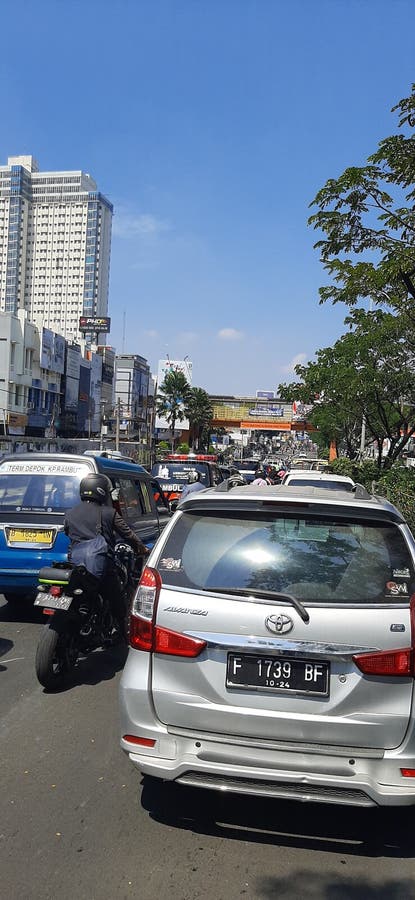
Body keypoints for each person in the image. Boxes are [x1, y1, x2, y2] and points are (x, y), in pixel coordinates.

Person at [64, 473, 149, 636]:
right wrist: (142, 549)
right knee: (117, 600)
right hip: (100, 565)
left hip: (75, 564)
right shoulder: (109, 513)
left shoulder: (70, 513)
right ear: (102, 491)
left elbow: (69, 533)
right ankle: (123, 633)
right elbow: (128, 535)